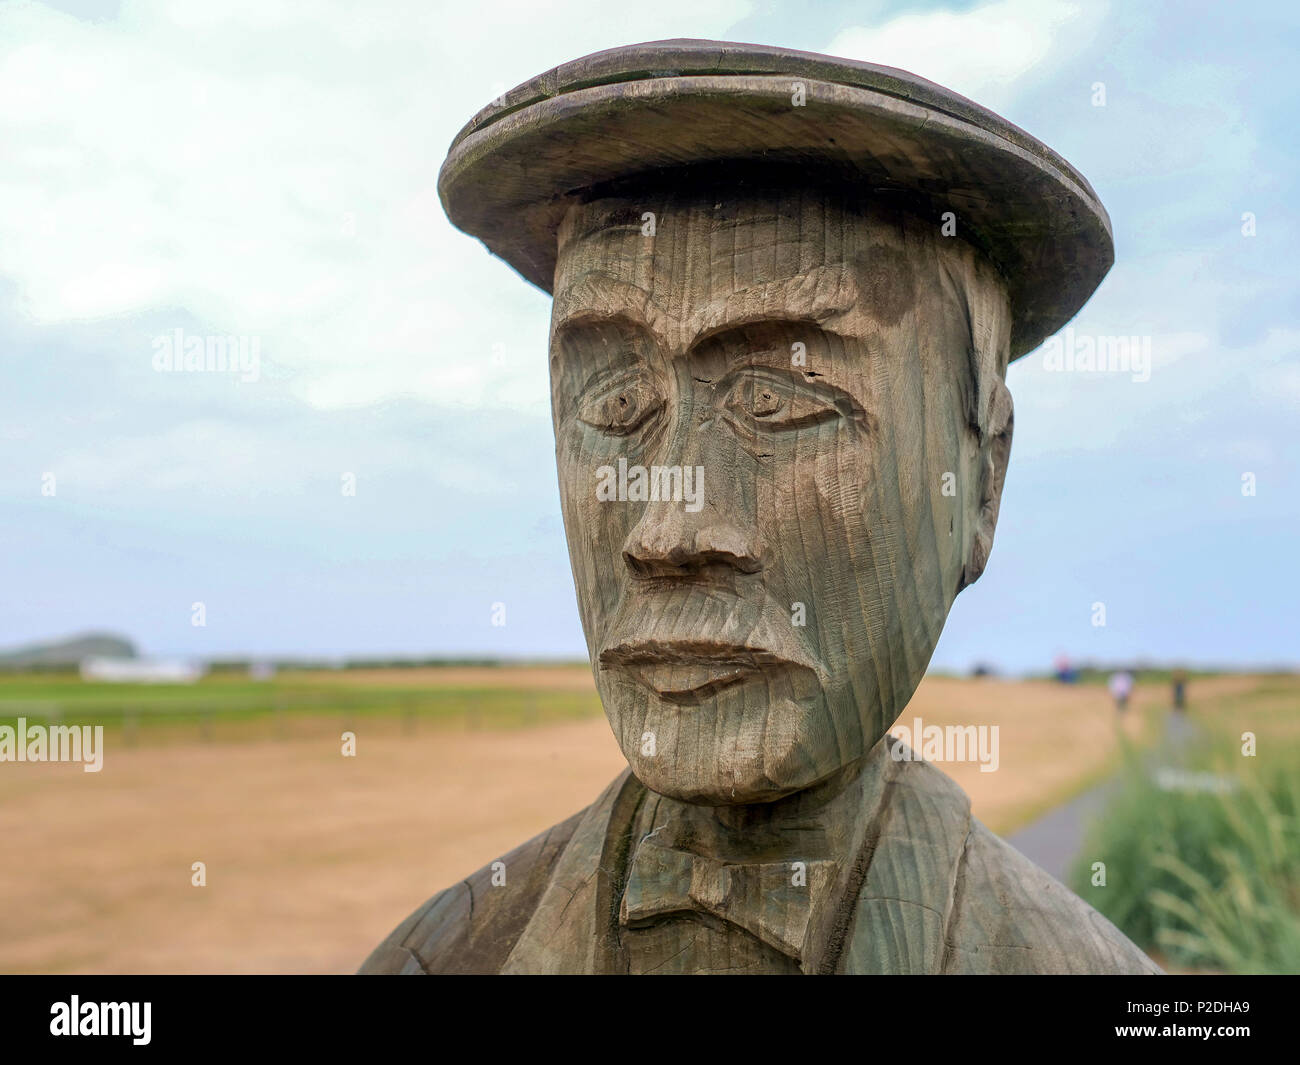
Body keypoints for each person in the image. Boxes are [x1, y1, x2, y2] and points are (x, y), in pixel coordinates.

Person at [361, 40, 1158, 975]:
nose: (668, 529)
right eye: (618, 402)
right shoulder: (438, 957)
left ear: (982, 484)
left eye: (776, 402)